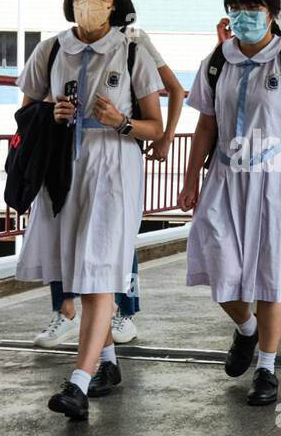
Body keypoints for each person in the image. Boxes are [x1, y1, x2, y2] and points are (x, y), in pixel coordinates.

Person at [15, 0, 165, 421]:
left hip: (113, 172)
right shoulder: (50, 50)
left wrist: (119, 121)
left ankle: (77, 383)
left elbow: (154, 128)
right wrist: (50, 112)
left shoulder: (133, 51)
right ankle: (107, 363)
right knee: (76, 269)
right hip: (64, 171)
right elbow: (26, 114)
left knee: (99, 271)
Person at [179, 0, 281, 407]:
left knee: (270, 279)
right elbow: (206, 123)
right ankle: (246, 329)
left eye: (254, 8)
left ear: (273, 12)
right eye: (237, 8)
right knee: (217, 260)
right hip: (226, 178)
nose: (244, 16)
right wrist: (191, 179)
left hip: (278, 181)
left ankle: (266, 368)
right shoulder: (217, 60)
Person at [33, 25, 186, 348]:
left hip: (116, 153)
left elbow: (174, 89)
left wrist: (166, 138)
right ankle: (66, 312)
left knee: (115, 239)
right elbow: (38, 99)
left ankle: (125, 311)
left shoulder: (134, 42)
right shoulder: (64, 45)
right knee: (63, 232)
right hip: (71, 154)